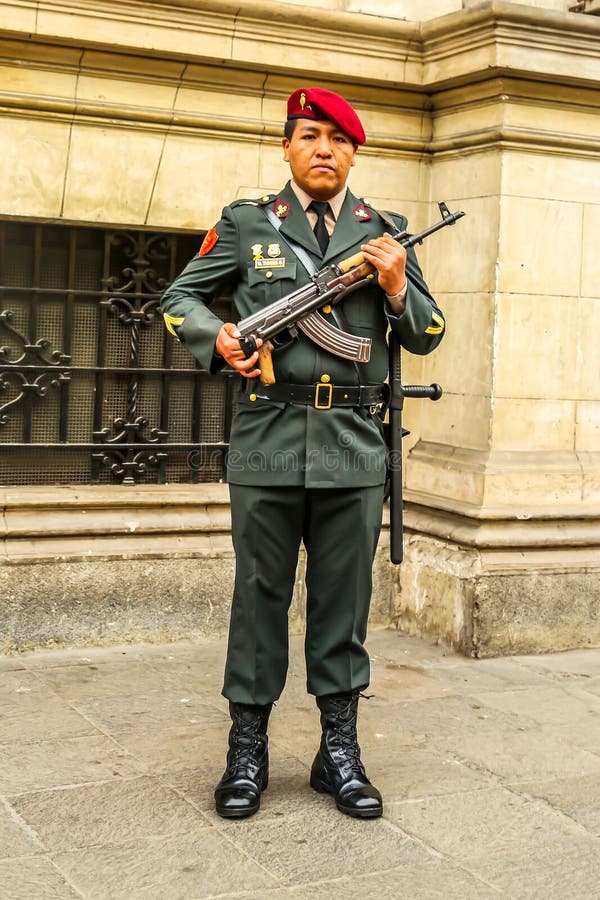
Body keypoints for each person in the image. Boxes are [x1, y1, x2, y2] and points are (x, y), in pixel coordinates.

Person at [160, 87, 445, 820]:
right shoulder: (248, 223)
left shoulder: (384, 231)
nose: (325, 149)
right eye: (310, 135)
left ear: (354, 153)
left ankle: (338, 751)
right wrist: (219, 340)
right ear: (286, 146)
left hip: (354, 447)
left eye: (339, 140)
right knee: (259, 597)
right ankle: (247, 747)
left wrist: (392, 287)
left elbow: (429, 331)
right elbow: (180, 299)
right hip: (269, 444)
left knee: (343, 605)